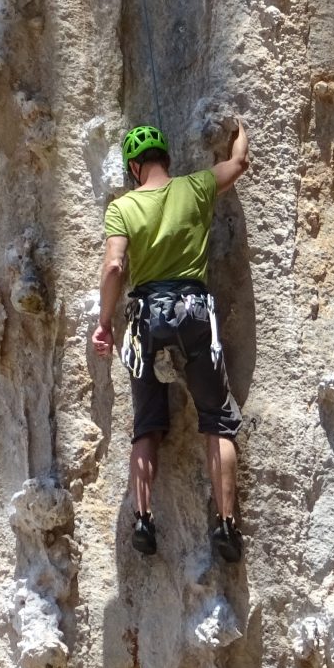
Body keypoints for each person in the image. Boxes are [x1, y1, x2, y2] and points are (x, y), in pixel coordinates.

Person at [91, 122, 250, 561]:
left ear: (133, 167)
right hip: (194, 313)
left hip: (146, 318)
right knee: (217, 419)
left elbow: (114, 268)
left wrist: (105, 322)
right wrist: (241, 129)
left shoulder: (122, 208)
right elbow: (237, 163)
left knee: (147, 425)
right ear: (166, 158)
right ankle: (224, 525)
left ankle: (143, 518)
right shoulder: (196, 187)